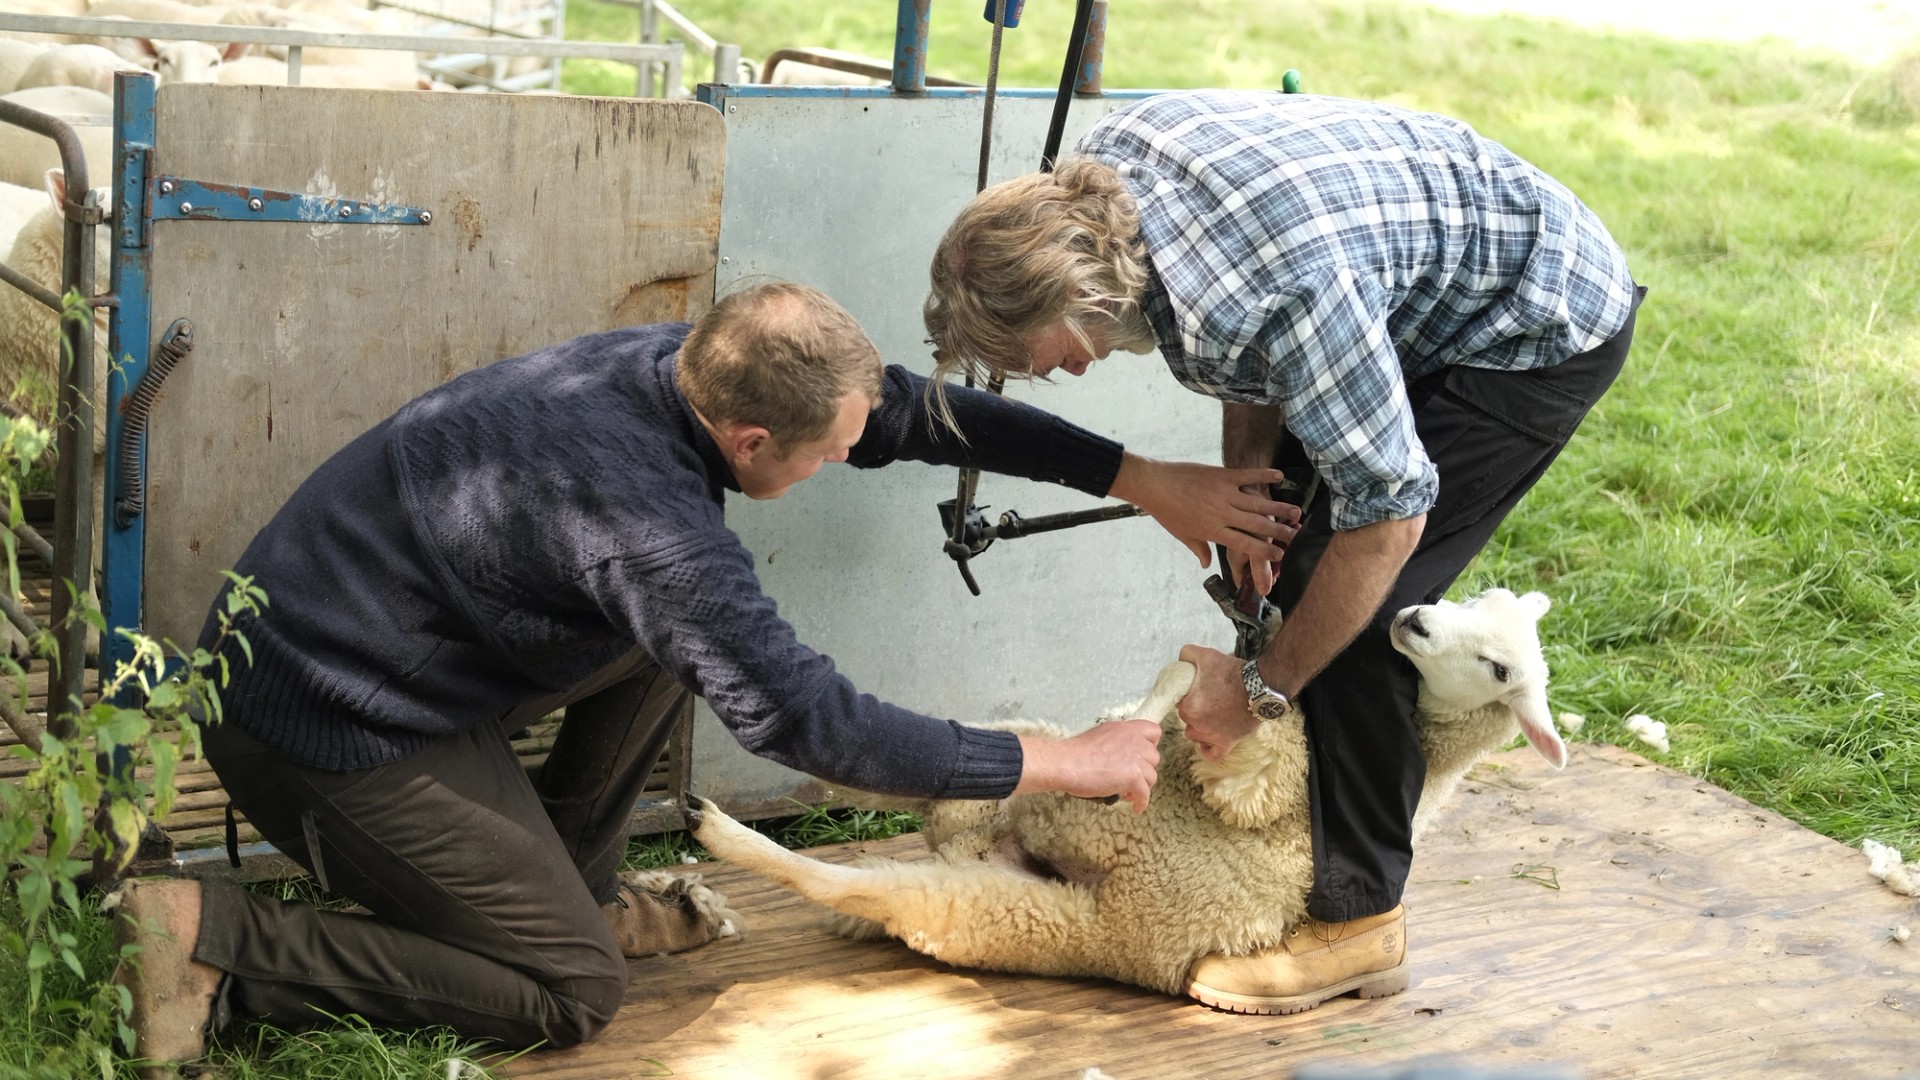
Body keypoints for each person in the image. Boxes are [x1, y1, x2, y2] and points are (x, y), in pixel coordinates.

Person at [108, 280, 1303, 1070]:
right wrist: (1060, 757)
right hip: (320, 720)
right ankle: (217, 938)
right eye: (835, 453)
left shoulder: (696, 370)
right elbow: (802, 719)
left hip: (406, 661)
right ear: (747, 440)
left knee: (667, 643)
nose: (853, 456)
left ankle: (565, 894)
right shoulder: (648, 525)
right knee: (569, 993)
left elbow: (929, 421)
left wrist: (1141, 476)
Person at [923, 89, 1644, 1015]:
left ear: (1082, 289)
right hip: (1393, 281)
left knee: (1361, 611)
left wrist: (1265, 687)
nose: (1056, 374)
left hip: (1534, 319)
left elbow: (1389, 518)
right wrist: (1251, 487)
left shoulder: (1272, 291)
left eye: (1044, 354)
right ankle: (1295, 838)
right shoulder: (1108, 177)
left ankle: (1358, 922)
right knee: (1293, 547)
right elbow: (1251, 346)